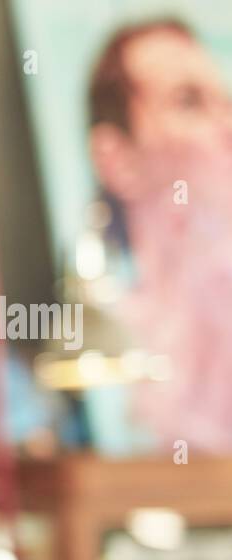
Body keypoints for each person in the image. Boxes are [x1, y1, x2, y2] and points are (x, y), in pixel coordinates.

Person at [88, 18, 232, 452]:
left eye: (227, 101)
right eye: (188, 102)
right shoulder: (105, 359)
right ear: (117, 160)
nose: (227, 127)